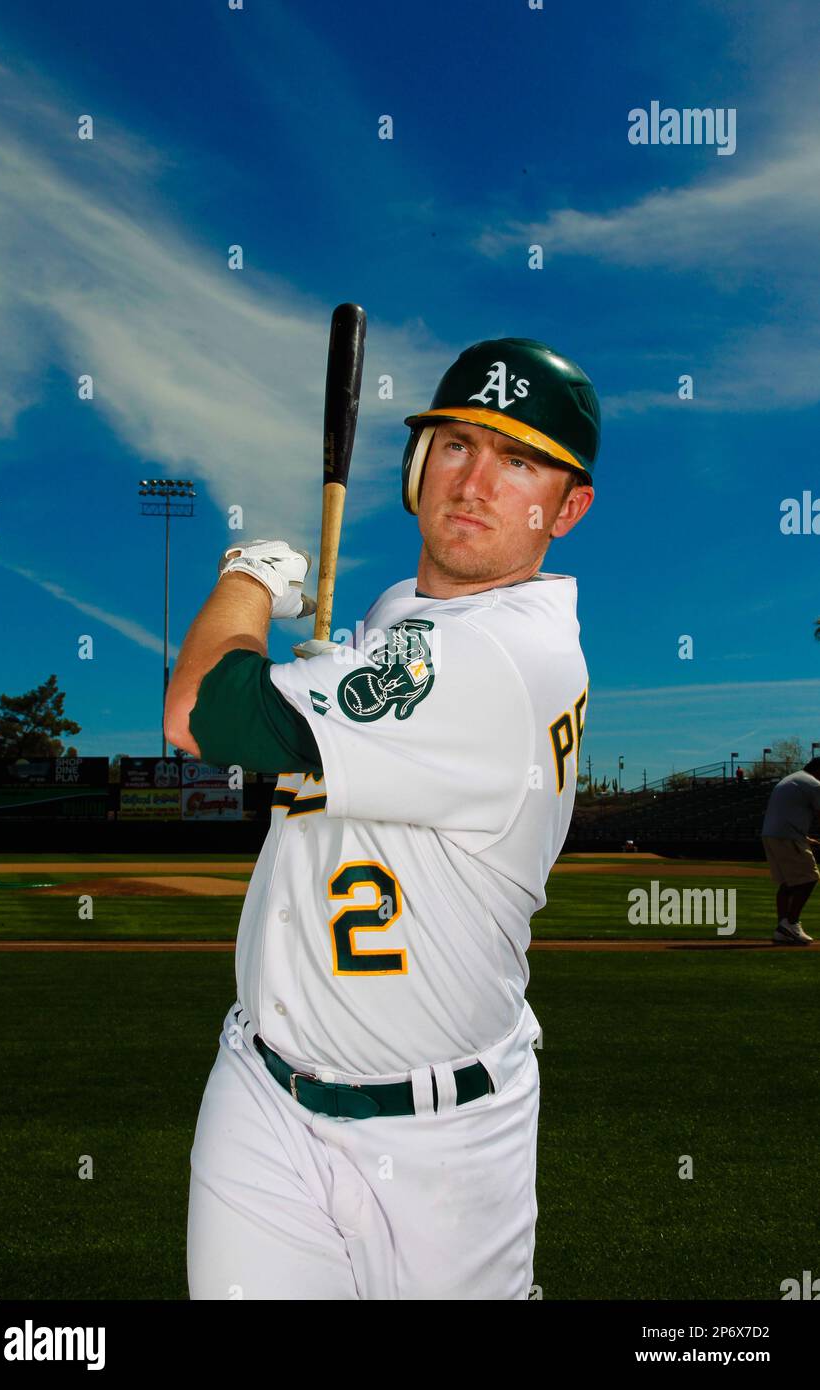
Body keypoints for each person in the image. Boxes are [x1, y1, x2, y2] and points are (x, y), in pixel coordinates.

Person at [164, 337, 599, 1300]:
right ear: (417, 465)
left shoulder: (504, 654)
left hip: (444, 1140)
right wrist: (335, 678)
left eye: (519, 461)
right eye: (457, 445)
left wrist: (251, 575)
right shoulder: (407, 611)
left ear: (567, 509)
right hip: (263, 1096)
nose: (474, 483)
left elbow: (199, 712)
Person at [760, 758, 820, 945]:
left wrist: (805, 837)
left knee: (788, 883)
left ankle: (782, 929)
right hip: (787, 836)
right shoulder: (813, 784)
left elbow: (787, 812)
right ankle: (792, 923)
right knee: (809, 877)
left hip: (772, 834)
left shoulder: (793, 779)